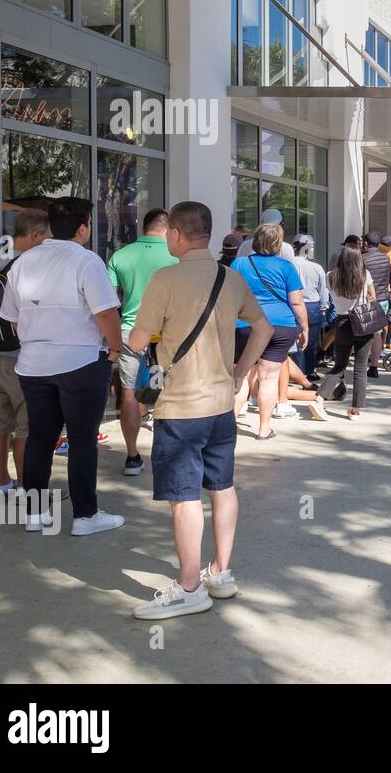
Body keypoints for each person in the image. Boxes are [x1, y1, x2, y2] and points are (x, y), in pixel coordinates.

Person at [127, 201, 272, 620]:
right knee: (222, 487)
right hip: (219, 405)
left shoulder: (165, 279)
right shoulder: (230, 277)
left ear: (174, 233)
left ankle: (189, 587)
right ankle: (220, 573)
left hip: (179, 407)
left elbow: (137, 342)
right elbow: (262, 327)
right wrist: (240, 372)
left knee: (184, 496)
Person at [1, 197, 125, 535]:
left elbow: (12, 320)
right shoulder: (87, 261)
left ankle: (35, 514)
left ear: (51, 226)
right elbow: (105, 312)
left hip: (33, 364)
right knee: (83, 439)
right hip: (80, 361)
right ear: (83, 228)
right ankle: (85, 516)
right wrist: (115, 348)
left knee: (40, 438)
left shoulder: (22, 262)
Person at [0, 209, 50, 493]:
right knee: (26, 430)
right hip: (22, 359)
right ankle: (28, 490)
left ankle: (1, 483)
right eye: (47, 237)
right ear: (35, 234)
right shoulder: (31, 266)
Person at [107, 208, 179, 479]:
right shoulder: (176, 256)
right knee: (165, 391)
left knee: (128, 392)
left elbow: (109, 299)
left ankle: (132, 456)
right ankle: (168, 453)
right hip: (167, 333)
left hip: (130, 332)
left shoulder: (121, 255)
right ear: (168, 228)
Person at [231, 224, 308, 440]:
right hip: (281, 325)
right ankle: (263, 429)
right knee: (269, 378)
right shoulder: (286, 267)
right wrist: (305, 328)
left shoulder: (239, 263)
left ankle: (228, 428)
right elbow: (296, 302)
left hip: (246, 324)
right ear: (279, 244)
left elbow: (230, 295)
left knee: (242, 375)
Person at [327, 246, 377, 418]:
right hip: (362, 322)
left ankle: (319, 397)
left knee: (339, 365)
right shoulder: (365, 275)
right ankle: (355, 409)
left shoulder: (331, 276)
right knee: (360, 367)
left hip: (342, 322)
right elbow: (373, 297)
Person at [291, 234, 329, 380]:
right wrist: (324, 307)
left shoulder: (288, 264)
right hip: (312, 306)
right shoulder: (316, 267)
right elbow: (323, 290)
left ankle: (297, 372)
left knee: (295, 342)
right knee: (311, 342)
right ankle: (309, 370)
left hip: (293, 304)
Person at [361, 231, 391, 378]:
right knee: (377, 333)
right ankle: (374, 366)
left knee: (361, 333)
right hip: (383, 300)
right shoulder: (385, 258)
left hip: (367, 300)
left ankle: (361, 363)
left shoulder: (362, 258)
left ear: (366, 243)